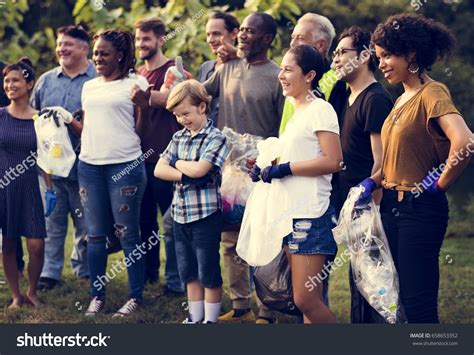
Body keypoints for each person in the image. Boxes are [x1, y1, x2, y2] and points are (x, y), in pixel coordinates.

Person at [357, 13, 473, 323]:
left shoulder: (432, 93)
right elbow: (397, 160)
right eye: (378, 56)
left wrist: (439, 184)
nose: (380, 63)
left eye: (387, 55)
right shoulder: (401, 99)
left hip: (419, 210)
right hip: (393, 209)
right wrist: (372, 182)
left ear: (410, 54)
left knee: (418, 304)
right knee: (397, 300)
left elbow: (464, 141)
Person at [250, 45, 342, 323]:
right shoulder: (296, 112)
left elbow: (333, 161)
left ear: (310, 75)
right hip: (290, 215)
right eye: (282, 68)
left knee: (306, 299)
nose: (281, 75)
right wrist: (265, 168)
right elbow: (297, 158)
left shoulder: (320, 109)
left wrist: (284, 168)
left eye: (289, 69)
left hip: (311, 216)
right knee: (302, 304)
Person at [202, 12, 284, 324]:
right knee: (230, 240)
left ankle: (267, 309)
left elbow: (282, 130)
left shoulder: (278, 76)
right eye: (242, 31)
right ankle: (240, 305)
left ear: (267, 39)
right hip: (228, 171)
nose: (243, 36)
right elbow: (201, 94)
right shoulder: (227, 69)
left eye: (250, 32)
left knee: (264, 240)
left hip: (262, 172)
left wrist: (272, 166)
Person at [78, 29, 149, 317]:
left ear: (120, 55)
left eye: (104, 53)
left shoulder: (136, 83)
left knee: (128, 233)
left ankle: (135, 297)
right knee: (94, 236)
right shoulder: (89, 86)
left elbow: (140, 132)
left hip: (126, 166)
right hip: (89, 166)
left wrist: (143, 107)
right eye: (95, 53)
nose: (98, 58)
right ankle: (97, 295)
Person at [331, 26, 394, 323]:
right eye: (335, 53)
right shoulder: (346, 96)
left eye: (343, 52)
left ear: (366, 56)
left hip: (371, 208)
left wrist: (372, 211)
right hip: (351, 206)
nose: (336, 59)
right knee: (359, 281)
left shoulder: (375, 99)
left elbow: (382, 165)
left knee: (375, 284)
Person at [155, 79, 229, 324]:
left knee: (207, 270)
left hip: (205, 216)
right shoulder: (178, 137)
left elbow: (202, 170)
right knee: (189, 272)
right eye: (177, 116)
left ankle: (210, 321)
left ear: (202, 107)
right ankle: (195, 318)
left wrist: (176, 164)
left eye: (185, 113)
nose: (182, 120)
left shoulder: (216, 137)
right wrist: (186, 171)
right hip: (180, 214)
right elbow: (159, 169)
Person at [31, 25, 96, 290]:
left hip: (86, 164)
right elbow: (33, 117)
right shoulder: (46, 80)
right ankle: (49, 272)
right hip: (50, 167)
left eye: (68, 44)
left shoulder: (96, 80)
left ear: (83, 48)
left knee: (86, 221)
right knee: (52, 222)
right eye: (60, 44)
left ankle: (84, 269)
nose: (62, 49)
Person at [131, 17, 184, 294]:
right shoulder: (139, 73)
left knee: (172, 225)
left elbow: (172, 99)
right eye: (138, 39)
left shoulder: (173, 69)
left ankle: (175, 282)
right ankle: (149, 274)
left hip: (168, 160)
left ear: (161, 40)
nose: (141, 43)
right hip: (140, 160)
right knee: (144, 223)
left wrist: (143, 97)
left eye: (147, 38)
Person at [0, 58, 56, 308]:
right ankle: (15, 295)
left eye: (15, 80)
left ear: (29, 83)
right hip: (3, 188)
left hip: (30, 187)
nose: (9, 85)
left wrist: (51, 189)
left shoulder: (40, 119)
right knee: (8, 243)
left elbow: (46, 156)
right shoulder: (0, 116)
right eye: (6, 80)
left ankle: (32, 292)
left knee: (36, 244)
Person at [279, 13, 349, 134]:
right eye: (292, 37)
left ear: (321, 45)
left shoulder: (338, 81)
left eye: (300, 38)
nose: (292, 44)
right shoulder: (290, 76)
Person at [197, 12, 239, 125]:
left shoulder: (243, 68)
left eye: (216, 34)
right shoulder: (206, 67)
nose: (210, 40)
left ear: (234, 34)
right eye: (208, 34)